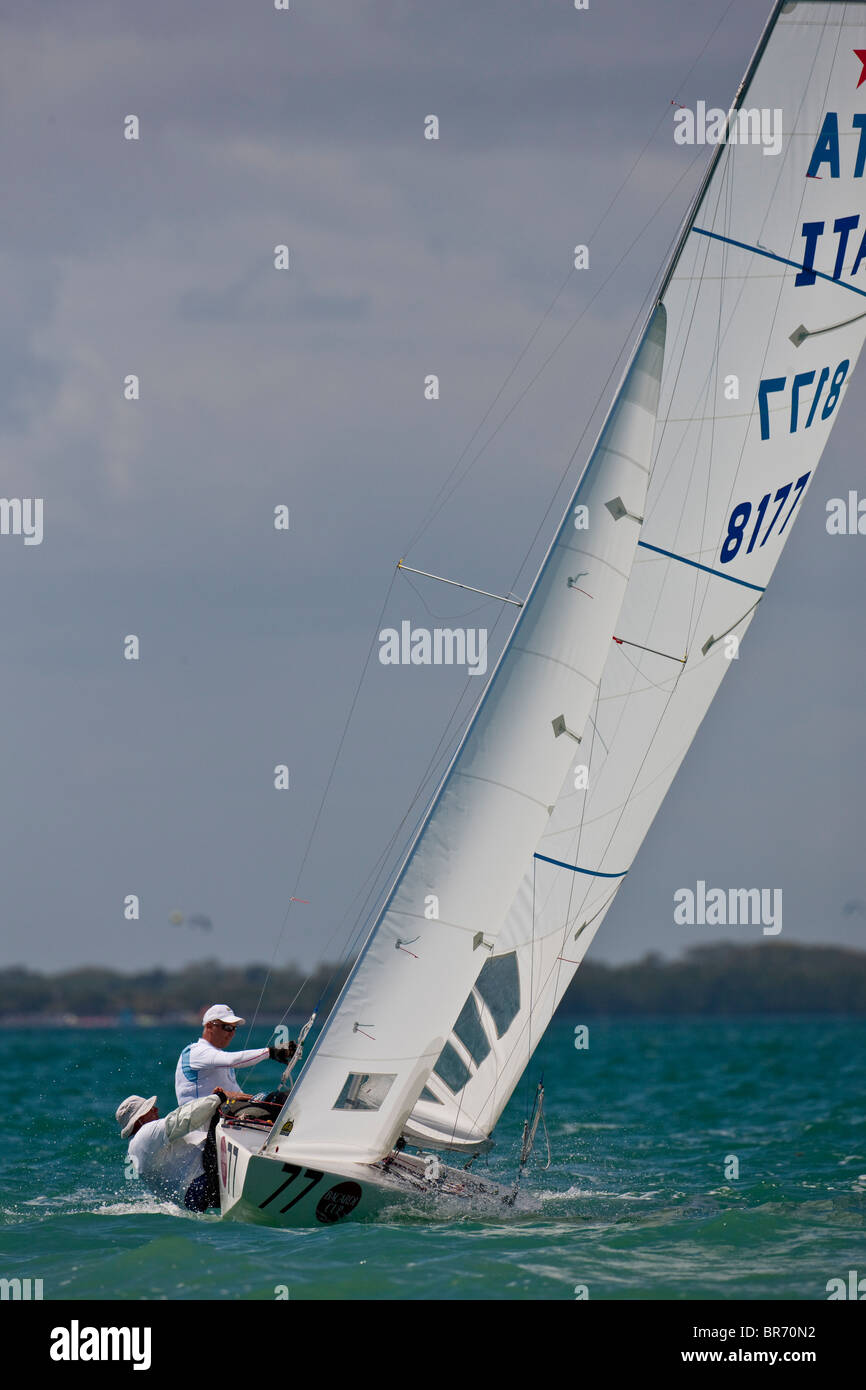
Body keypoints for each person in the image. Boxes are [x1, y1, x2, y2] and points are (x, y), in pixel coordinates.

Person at [116, 1089, 232, 1211]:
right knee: (220, 1117)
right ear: (139, 1119)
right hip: (202, 1183)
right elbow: (184, 1118)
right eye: (150, 1109)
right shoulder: (146, 1133)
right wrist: (219, 1097)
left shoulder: (132, 1152)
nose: (156, 1110)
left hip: (190, 1199)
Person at [174, 1003, 294, 1105]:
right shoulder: (196, 1051)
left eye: (234, 1028)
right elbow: (232, 1060)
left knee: (283, 1099)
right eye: (227, 1027)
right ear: (209, 1026)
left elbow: (237, 1093)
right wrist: (271, 1052)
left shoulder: (218, 1057)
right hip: (199, 1126)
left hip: (220, 1120)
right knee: (280, 1100)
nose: (232, 1033)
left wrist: (259, 1101)